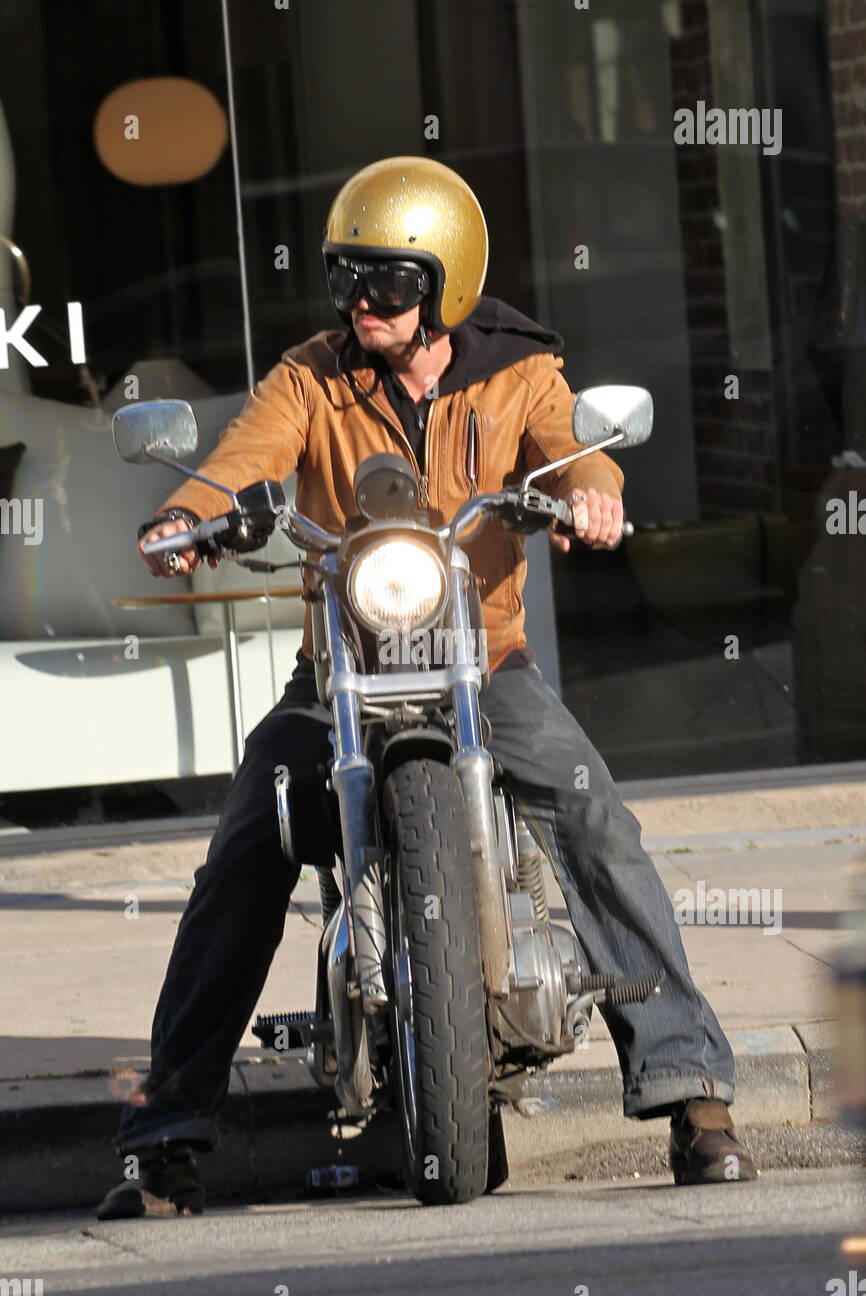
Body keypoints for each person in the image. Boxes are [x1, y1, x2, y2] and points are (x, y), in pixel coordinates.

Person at [98, 156, 756, 1219]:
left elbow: (573, 451)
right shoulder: (311, 376)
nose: (361, 302)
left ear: (441, 285)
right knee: (242, 848)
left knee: (595, 822)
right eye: (346, 279)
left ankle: (692, 1090)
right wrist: (188, 517)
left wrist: (590, 495)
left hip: (481, 664)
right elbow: (242, 456)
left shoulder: (515, 370)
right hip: (340, 672)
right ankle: (164, 1134)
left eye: (388, 282)